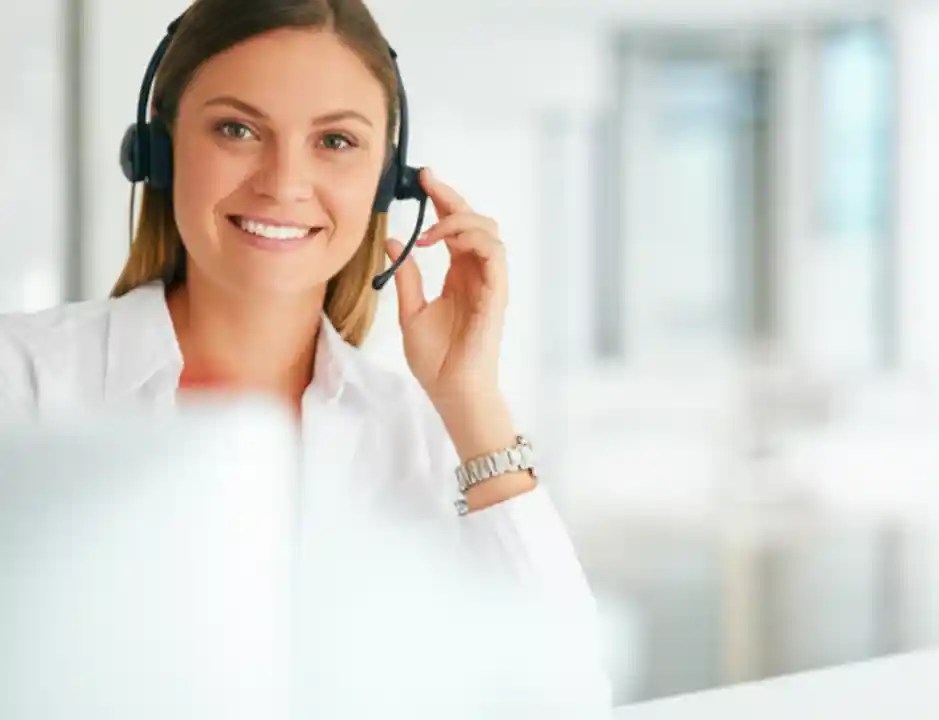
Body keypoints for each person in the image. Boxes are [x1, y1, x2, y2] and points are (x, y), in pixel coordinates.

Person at [0, 0, 611, 711]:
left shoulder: (423, 436)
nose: (284, 182)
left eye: (336, 142)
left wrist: (471, 401)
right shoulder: (23, 381)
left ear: (388, 181)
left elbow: (566, 696)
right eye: (237, 129)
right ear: (158, 153)